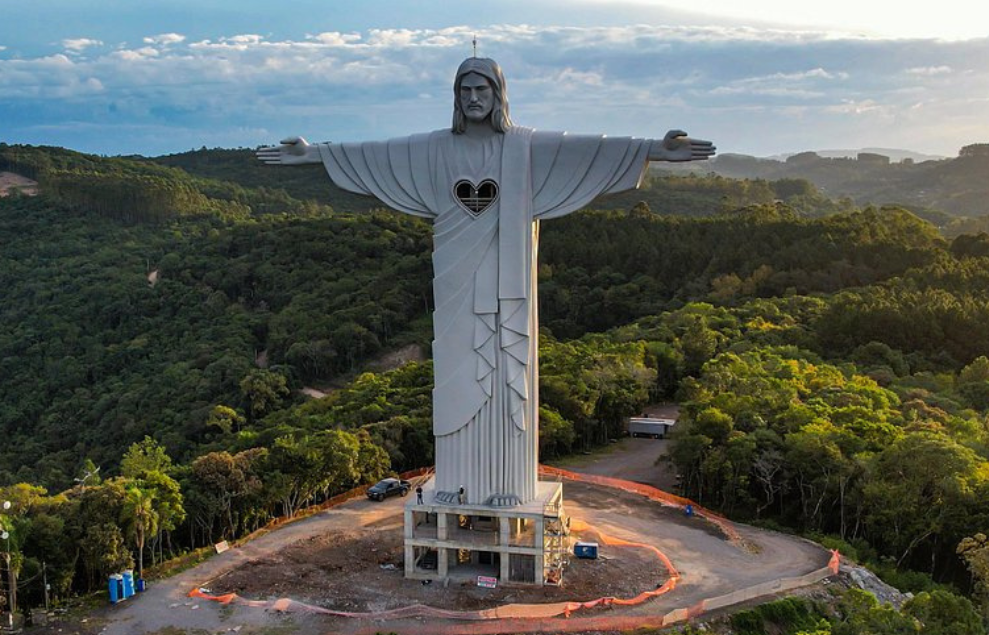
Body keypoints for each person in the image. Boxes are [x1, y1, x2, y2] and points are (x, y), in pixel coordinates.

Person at [259, 57, 714, 508]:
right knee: (458, 369)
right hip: (455, 282)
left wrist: (653, 149)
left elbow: (584, 150)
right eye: (465, 90)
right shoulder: (435, 147)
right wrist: (313, 153)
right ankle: (459, 483)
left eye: (482, 90)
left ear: (499, 94)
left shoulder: (524, 147)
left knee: (504, 372)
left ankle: (508, 485)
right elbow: (378, 153)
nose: (473, 99)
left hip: (508, 285)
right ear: (455, 97)